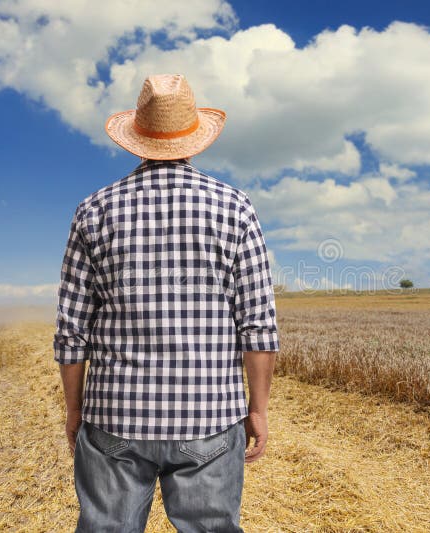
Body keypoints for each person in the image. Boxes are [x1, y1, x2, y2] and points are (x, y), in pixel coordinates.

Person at [53, 74, 280, 532]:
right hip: (210, 417)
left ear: (137, 140)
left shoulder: (94, 209)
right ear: (194, 139)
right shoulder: (235, 207)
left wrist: (74, 409)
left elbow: (71, 330)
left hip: (115, 415)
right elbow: (257, 324)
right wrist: (257, 407)